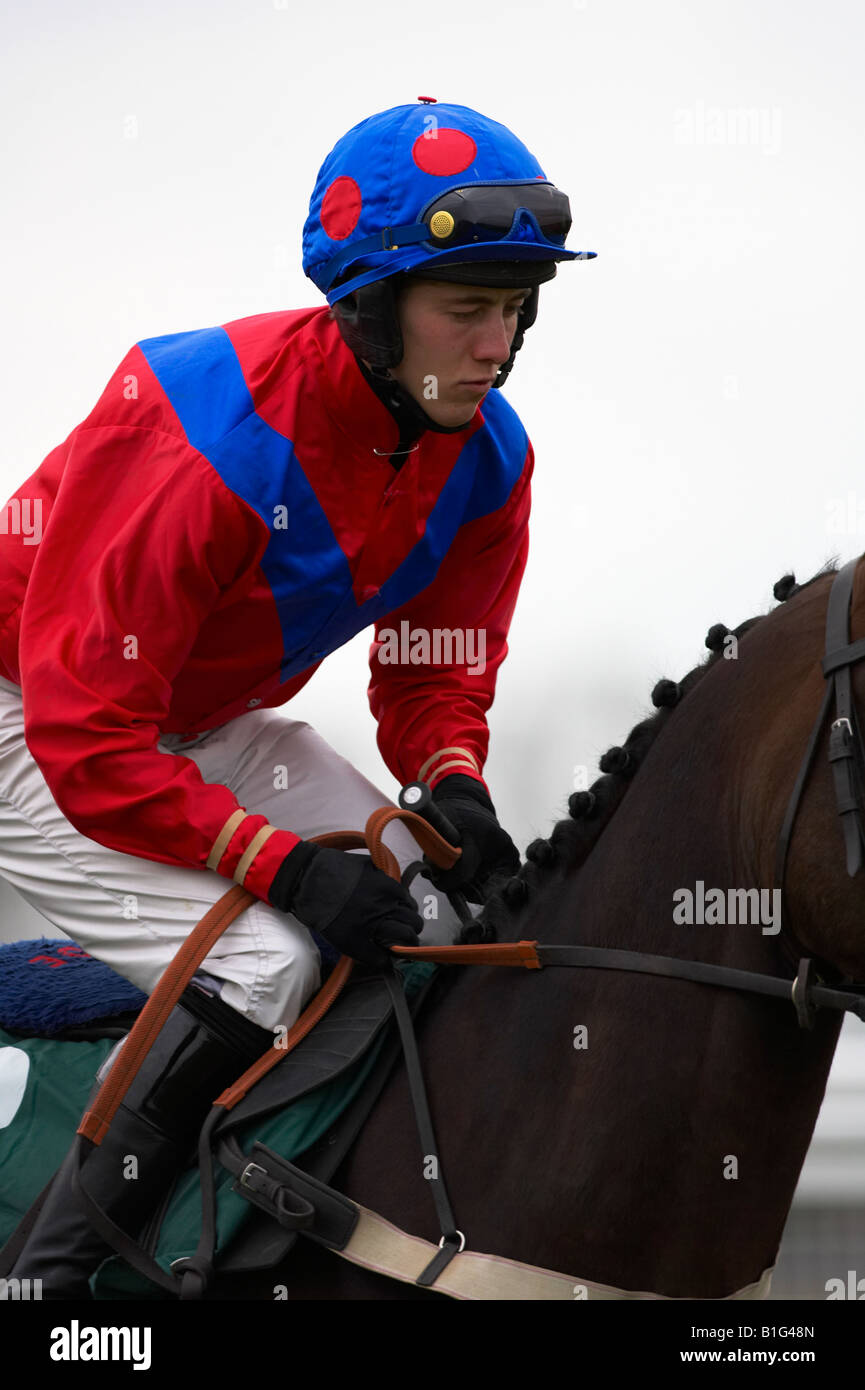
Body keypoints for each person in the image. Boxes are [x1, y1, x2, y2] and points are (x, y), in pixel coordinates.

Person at [0, 97, 593, 1296]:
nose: (500, 345)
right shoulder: (198, 434)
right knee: (269, 963)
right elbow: (88, 734)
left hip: (196, 723)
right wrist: (280, 865)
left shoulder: (486, 454)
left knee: (436, 919)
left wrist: (454, 781)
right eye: (467, 310)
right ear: (368, 308)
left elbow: (433, 663)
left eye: (517, 308)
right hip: (37, 721)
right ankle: (55, 1276)